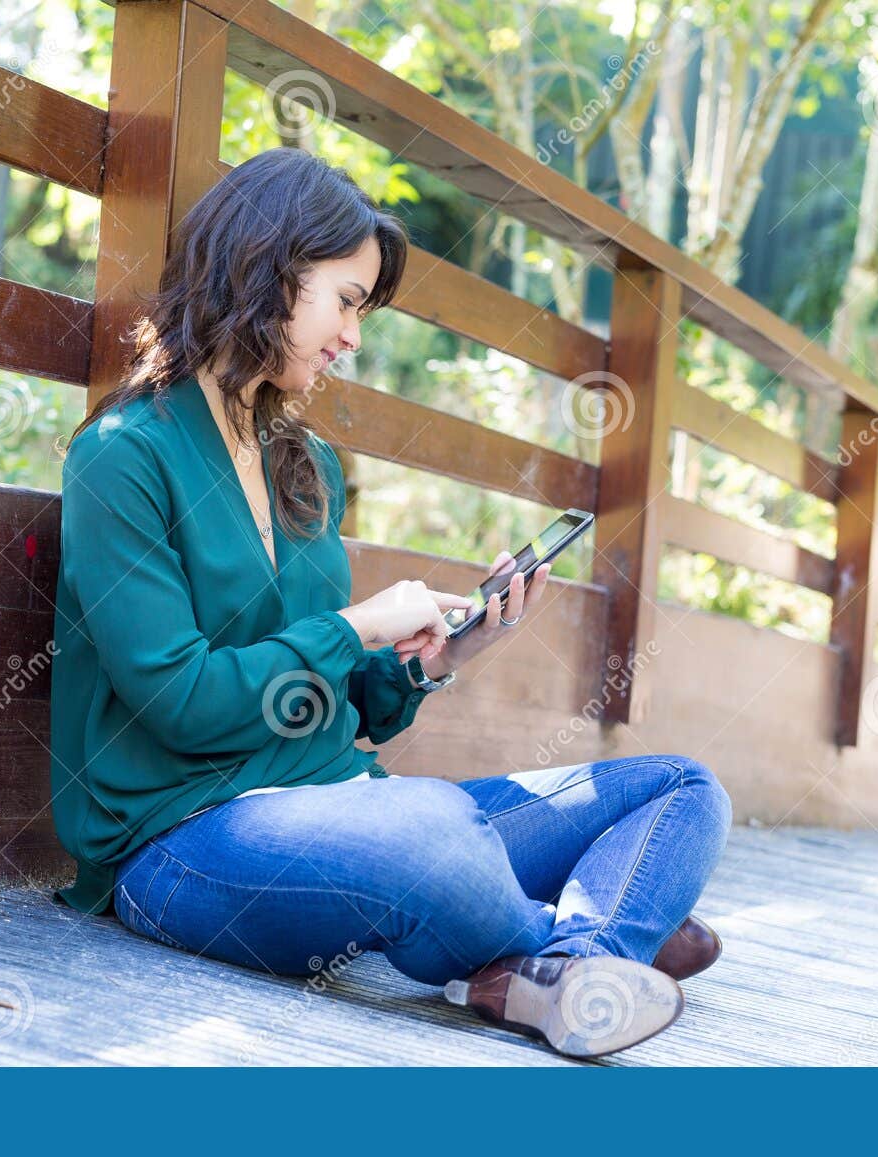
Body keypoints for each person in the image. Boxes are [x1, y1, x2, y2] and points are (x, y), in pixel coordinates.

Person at [48, 147, 732, 1059]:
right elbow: (180, 700)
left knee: (679, 786)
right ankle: (592, 937)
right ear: (267, 268)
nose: (352, 337)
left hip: (343, 801)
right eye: (346, 300)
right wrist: (355, 625)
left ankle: (567, 958)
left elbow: (342, 702)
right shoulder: (123, 457)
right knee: (434, 834)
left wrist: (441, 657)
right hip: (182, 841)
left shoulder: (306, 466)